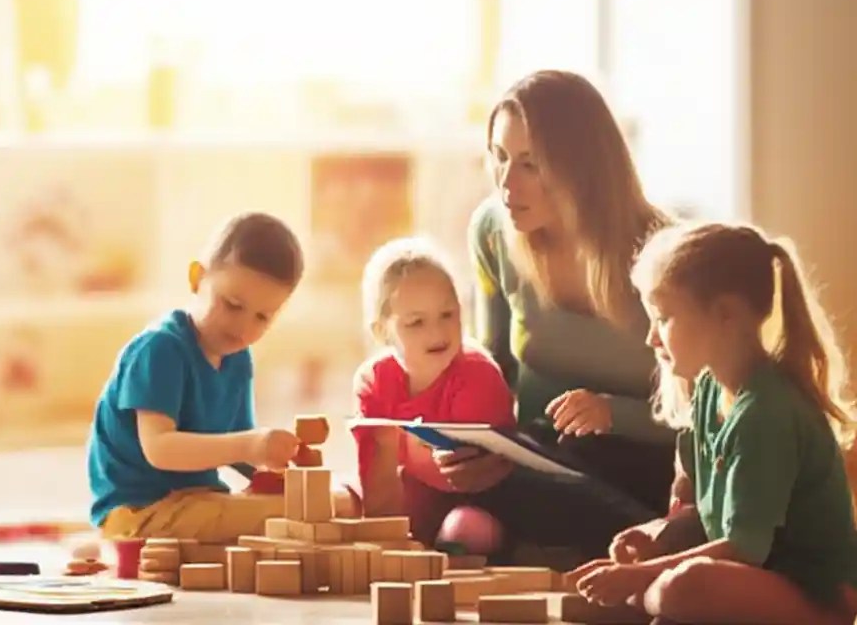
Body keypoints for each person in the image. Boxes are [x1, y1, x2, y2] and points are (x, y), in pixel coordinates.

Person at [572, 221, 857, 624]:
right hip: (758, 579)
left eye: (664, 317)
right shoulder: (707, 391)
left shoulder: (766, 411)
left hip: (818, 598)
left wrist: (641, 577)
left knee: (681, 587)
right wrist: (656, 535)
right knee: (652, 582)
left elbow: (744, 548)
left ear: (726, 315)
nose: (652, 338)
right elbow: (709, 514)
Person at [462, 70, 677, 560]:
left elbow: (714, 411)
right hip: (551, 458)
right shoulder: (492, 231)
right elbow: (493, 371)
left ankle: (662, 544)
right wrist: (467, 442)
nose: (507, 184)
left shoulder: (666, 253)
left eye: (530, 165)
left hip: (659, 460)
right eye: (499, 157)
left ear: (581, 167)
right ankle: (656, 544)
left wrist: (611, 412)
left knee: (540, 483)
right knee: (499, 478)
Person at [88, 212, 357, 543]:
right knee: (288, 519)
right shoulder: (160, 349)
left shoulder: (237, 359)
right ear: (197, 278)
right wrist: (249, 444)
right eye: (232, 305)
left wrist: (277, 465)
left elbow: (241, 453)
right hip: (140, 510)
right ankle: (117, 547)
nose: (243, 328)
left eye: (262, 317)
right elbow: (160, 448)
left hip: (199, 500)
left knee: (297, 509)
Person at [351, 236, 516, 550]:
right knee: (339, 503)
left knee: (466, 528)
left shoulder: (476, 375)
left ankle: (444, 567)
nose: (438, 333)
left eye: (447, 315)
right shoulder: (373, 382)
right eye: (416, 323)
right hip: (411, 497)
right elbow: (378, 492)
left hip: (478, 506)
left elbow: (473, 481)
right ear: (381, 331)